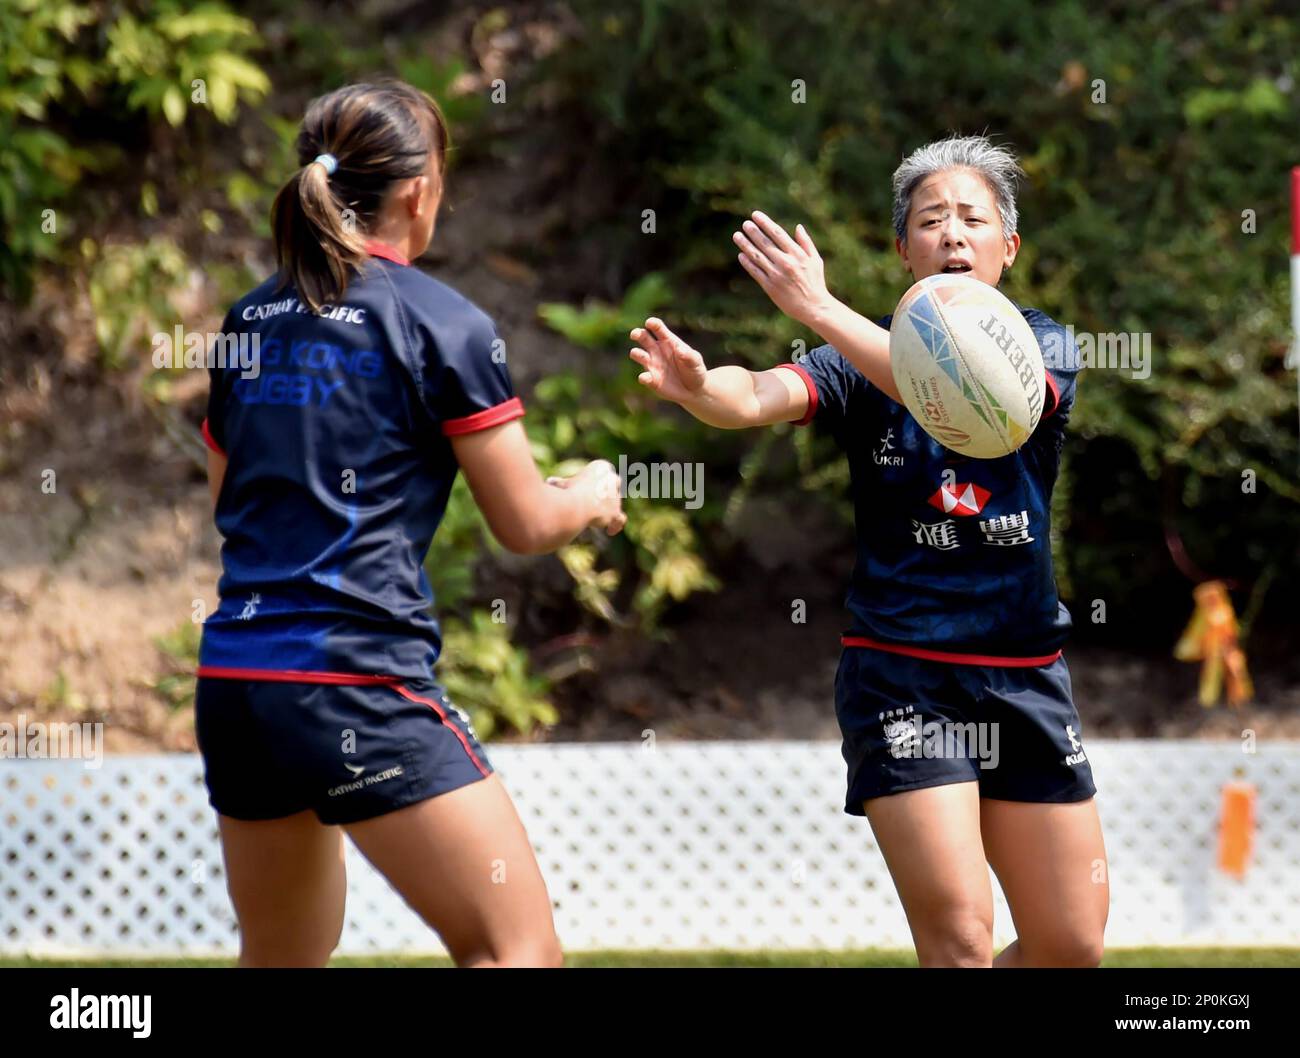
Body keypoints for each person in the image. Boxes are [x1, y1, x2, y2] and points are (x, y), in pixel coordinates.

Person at [628, 134, 1108, 968]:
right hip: (904, 675)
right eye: (930, 221)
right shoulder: (855, 359)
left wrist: (818, 307)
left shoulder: (1044, 345)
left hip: (1026, 670)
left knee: (1072, 944)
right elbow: (760, 394)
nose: (952, 234)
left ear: (1009, 248)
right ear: (902, 251)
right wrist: (703, 388)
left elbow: (962, 384)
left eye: (971, 218)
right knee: (960, 939)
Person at [196, 80, 625, 968]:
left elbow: (230, 504)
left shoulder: (248, 320)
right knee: (517, 950)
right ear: (421, 191)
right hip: (355, 682)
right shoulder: (442, 323)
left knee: (278, 960)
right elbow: (526, 522)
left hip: (239, 684)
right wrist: (590, 489)